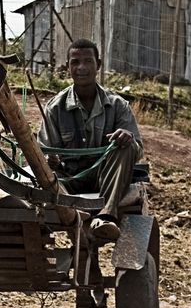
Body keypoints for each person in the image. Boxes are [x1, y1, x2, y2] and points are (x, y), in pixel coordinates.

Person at [37, 38, 143, 241]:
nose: (81, 67)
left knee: (127, 146)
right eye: (75, 62)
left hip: (107, 179)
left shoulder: (117, 105)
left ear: (98, 65)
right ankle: (74, 219)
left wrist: (127, 137)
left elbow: (138, 150)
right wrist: (50, 159)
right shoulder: (55, 108)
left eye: (88, 61)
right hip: (70, 180)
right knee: (44, 174)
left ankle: (105, 216)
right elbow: (45, 151)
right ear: (67, 67)